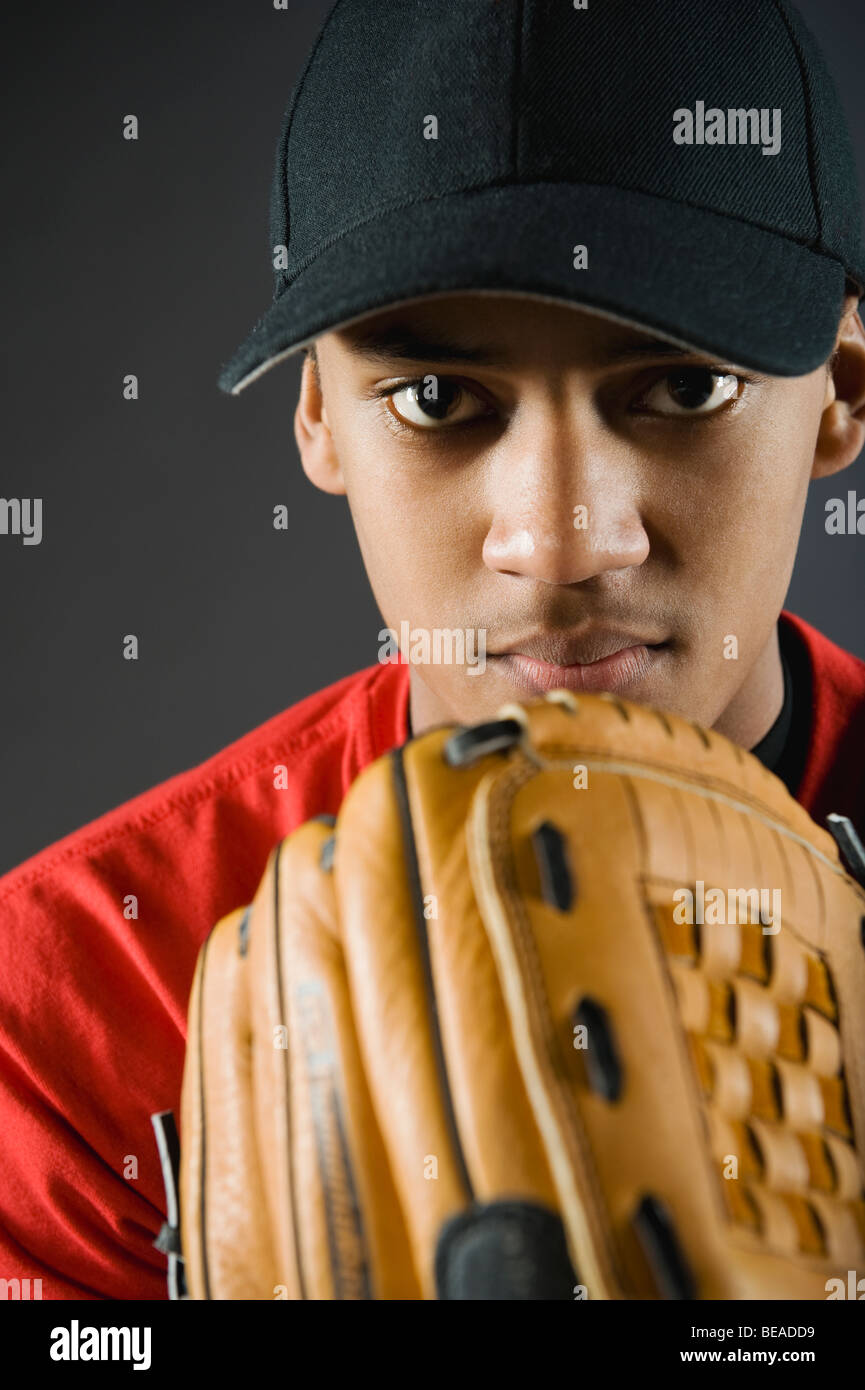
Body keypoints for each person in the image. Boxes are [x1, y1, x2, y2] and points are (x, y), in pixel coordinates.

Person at [1, 0, 863, 1301]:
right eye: (436, 399)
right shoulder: (72, 1001)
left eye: (683, 386)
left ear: (842, 389)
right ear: (319, 420)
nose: (564, 542)